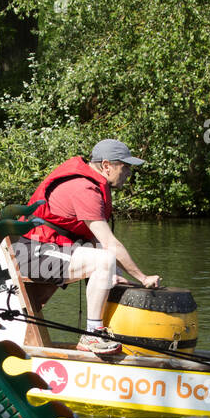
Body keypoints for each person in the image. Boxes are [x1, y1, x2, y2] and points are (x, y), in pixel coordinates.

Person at [19, 139, 163, 354]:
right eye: (125, 167)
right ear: (106, 165)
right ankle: (93, 336)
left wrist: (114, 273)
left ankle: (28, 342)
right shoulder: (84, 188)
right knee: (102, 260)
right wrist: (142, 278)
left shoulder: (91, 185)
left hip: (44, 251)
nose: (128, 174)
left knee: (106, 265)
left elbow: (94, 241)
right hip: (27, 254)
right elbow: (110, 244)